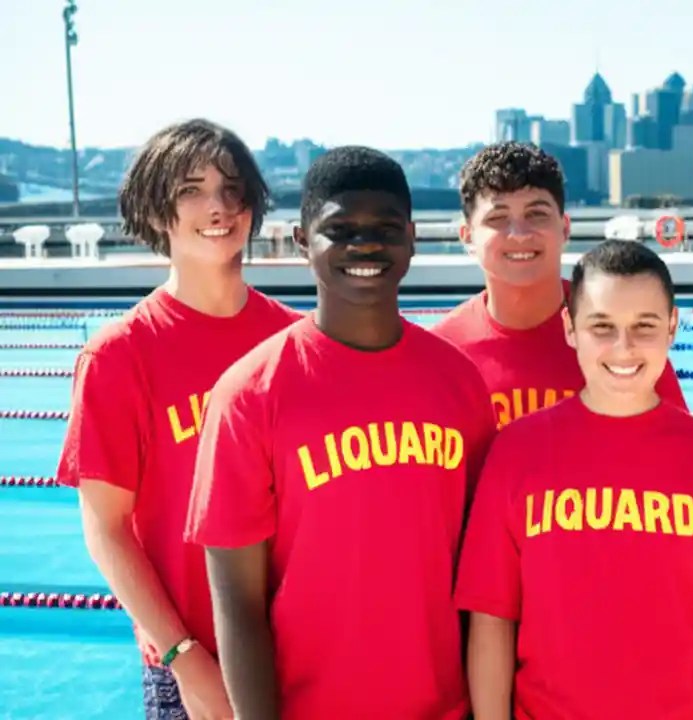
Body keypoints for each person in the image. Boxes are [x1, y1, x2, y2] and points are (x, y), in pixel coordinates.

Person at [184, 146, 496, 720]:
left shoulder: (459, 383)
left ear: (412, 237)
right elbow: (235, 602)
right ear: (303, 240)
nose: (365, 245)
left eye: (383, 228)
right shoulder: (250, 394)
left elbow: (482, 579)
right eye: (340, 229)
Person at [454, 239, 693, 720]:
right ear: (570, 328)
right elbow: (492, 620)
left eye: (644, 326)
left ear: (673, 326)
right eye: (603, 327)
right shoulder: (517, 452)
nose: (624, 348)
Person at [54, 119, 301, 720]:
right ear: (157, 209)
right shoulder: (121, 356)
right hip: (193, 665)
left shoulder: (292, 340)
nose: (218, 206)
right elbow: (106, 531)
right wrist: (186, 661)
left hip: (300, 653)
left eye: (232, 187)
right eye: (192, 188)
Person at [431, 141, 686, 428]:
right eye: (498, 218)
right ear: (467, 236)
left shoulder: (619, 337)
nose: (519, 234)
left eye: (536, 214)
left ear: (565, 228)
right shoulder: (443, 354)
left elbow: (677, 449)